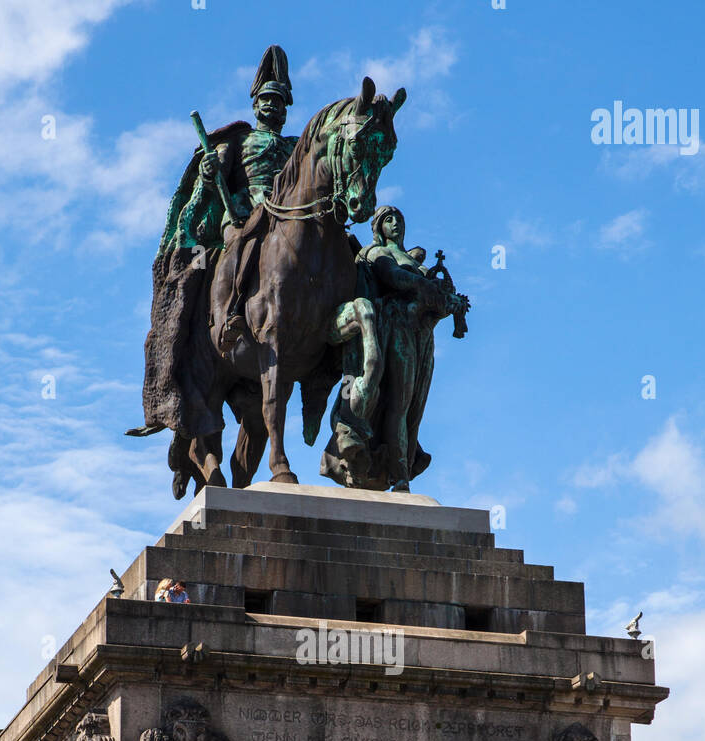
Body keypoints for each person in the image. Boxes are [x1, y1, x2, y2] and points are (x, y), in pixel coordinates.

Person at [128, 46, 299, 500]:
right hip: (241, 216)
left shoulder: (297, 147)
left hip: (286, 222)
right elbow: (208, 188)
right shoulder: (240, 143)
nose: (274, 107)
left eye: (280, 101)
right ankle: (235, 309)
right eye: (267, 99)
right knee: (243, 243)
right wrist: (209, 173)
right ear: (256, 104)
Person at [321, 206, 470, 492]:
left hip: (422, 339)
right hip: (396, 329)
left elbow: (431, 303)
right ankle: (400, 474)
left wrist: (448, 304)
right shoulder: (379, 254)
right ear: (378, 227)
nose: (395, 224)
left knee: (414, 408)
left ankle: (400, 468)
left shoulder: (418, 263)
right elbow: (394, 277)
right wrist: (427, 288)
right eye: (388, 220)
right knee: (399, 404)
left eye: (399, 219)